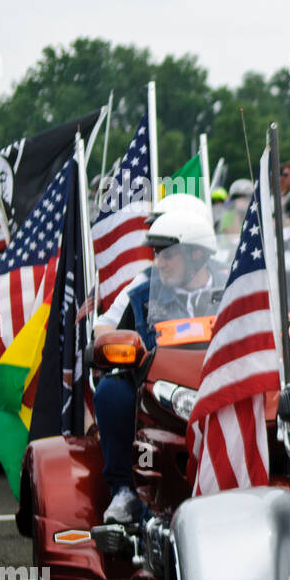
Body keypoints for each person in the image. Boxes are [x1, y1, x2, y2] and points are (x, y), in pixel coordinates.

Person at [92, 195, 228, 523]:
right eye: (156, 254)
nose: (158, 263)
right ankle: (124, 490)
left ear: (197, 254)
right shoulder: (141, 293)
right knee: (111, 389)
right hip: (162, 397)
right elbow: (102, 331)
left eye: (166, 254)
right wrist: (120, 345)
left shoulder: (235, 289)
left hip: (223, 388)